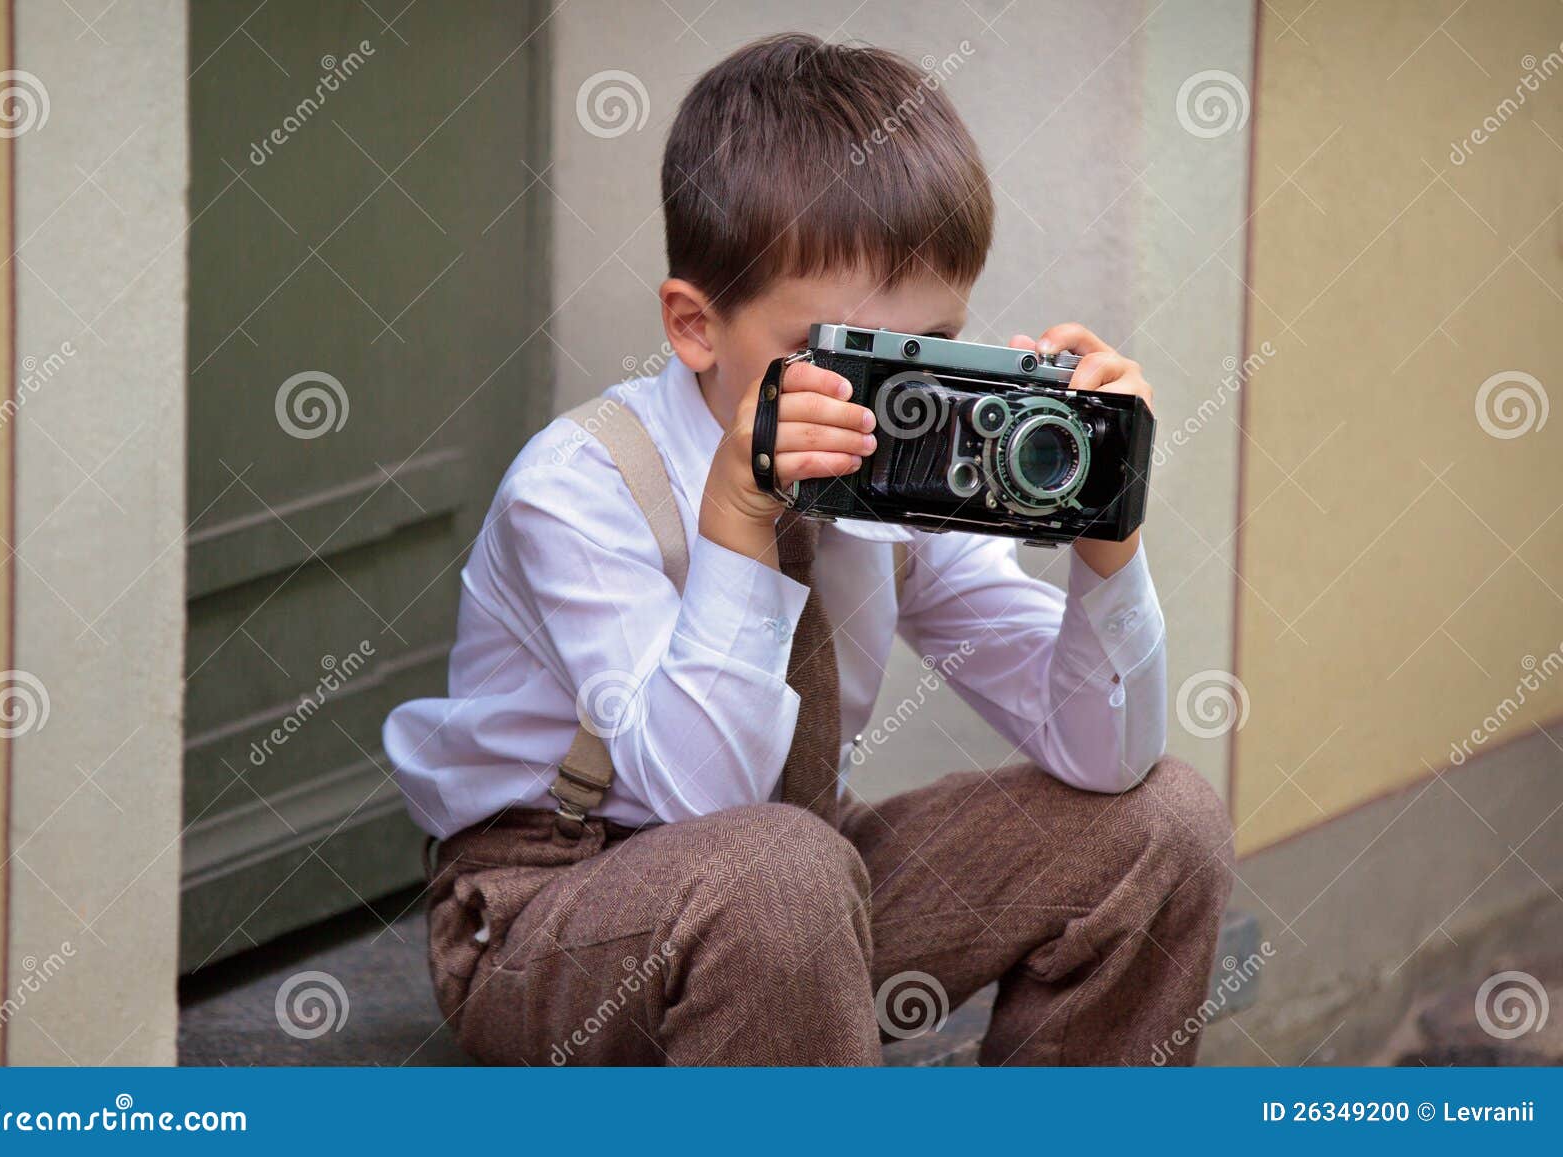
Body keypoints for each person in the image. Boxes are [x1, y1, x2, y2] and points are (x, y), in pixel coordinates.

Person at [383, 32, 1232, 1066]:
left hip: (797, 883)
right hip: (549, 916)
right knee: (778, 869)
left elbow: (1107, 757)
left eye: (929, 353)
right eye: (846, 359)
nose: (884, 413)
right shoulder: (581, 487)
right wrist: (741, 521)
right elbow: (701, 807)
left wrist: (1106, 538)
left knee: (1164, 818)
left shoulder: (906, 475)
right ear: (696, 328)